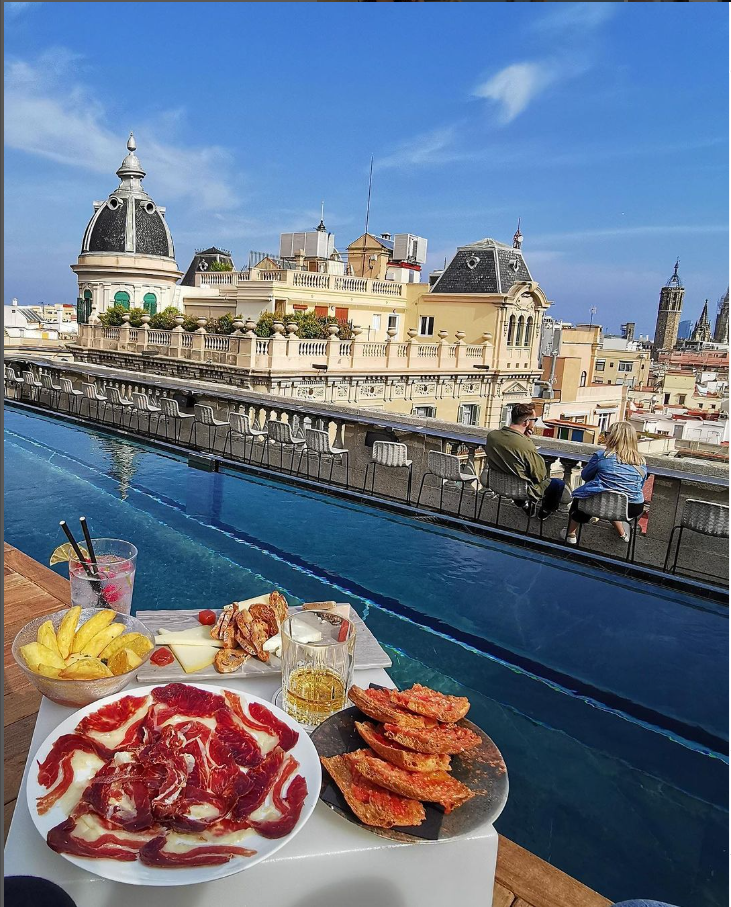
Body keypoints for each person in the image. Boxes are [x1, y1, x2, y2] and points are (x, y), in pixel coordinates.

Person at [561, 421, 647, 545]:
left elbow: (585, 475)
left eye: (607, 434)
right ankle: (622, 534)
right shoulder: (641, 462)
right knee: (613, 501)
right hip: (632, 507)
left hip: (603, 503)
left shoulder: (602, 456)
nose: (605, 437)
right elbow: (640, 486)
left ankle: (570, 534)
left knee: (584, 497)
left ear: (613, 437)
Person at [484, 403, 565, 519]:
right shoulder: (526, 445)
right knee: (558, 484)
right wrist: (527, 441)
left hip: (497, 484)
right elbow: (540, 475)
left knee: (516, 474)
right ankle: (545, 511)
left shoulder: (492, 436)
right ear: (527, 422)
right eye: (535, 420)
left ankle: (524, 505)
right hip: (520, 489)